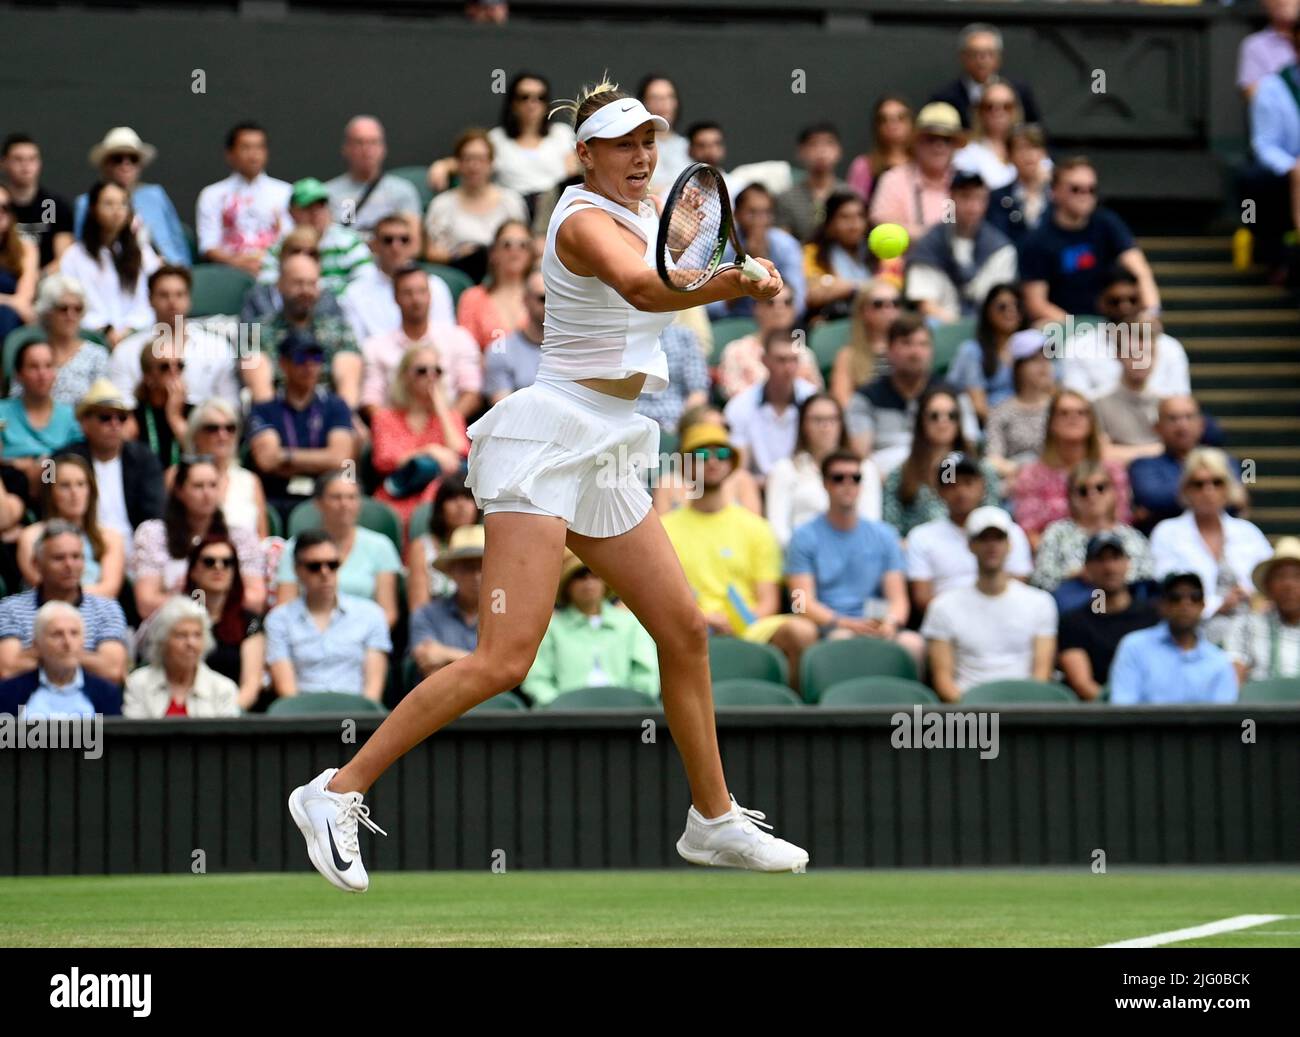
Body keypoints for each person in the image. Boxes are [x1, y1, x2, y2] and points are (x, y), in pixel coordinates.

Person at [288, 79, 808, 893]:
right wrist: (732, 284)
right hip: (548, 437)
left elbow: (664, 276)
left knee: (686, 631)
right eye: (623, 144)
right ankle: (335, 789)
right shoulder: (579, 218)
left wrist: (732, 277)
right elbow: (643, 288)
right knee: (503, 660)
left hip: (609, 445)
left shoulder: (646, 219)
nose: (642, 157)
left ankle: (713, 818)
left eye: (650, 142)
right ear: (585, 156)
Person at [663, 423, 819, 691]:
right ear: (685, 466)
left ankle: (792, 721)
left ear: (731, 465)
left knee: (802, 632)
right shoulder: (663, 528)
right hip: (686, 625)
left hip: (748, 626)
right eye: (701, 455)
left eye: (721, 455)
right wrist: (702, 618)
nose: (712, 462)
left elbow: (767, 601)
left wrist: (737, 624)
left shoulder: (756, 528)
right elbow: (661, 599)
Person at [785, 450, 922, 666]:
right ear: (825, 483)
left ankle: (915, 701)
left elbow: (898, 599)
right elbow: (800, 604)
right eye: (838, 478)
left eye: (855, 478)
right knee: (843, 640)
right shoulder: (804, 537)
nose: (848, 483)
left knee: (913, 644)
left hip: (876, 623)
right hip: (831, 628)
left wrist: (891, 622)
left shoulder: (885, 535)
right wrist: (842, 622)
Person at [921, 506, 1057, 702]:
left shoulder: (1041, 603)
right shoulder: (943, 606)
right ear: (970, 545)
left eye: (998, 538)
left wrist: (1023, 714)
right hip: (970, 718)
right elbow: (943, 681)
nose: (991, 546)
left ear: (1009, 544)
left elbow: (1042, 675)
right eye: (983, 539)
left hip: (1025, 715)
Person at [1149, 448, 1272, 646]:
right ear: (1186, 489)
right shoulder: (1167, 533)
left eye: (1217, 482)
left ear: (1228, 488)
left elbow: (1269, 581)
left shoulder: (1249, 532)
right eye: (1199, 484)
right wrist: (1218, 605)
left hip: (1251, 632)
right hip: (1188, 633)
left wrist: (1251, 597)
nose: (1208, 491)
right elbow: (1167, 587)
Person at [1020, 158, 1160, 324]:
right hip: (1061, 326)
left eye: (1091, 189)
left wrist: (1151, 313)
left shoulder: (1107, 223)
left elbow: (1140, 270)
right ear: (1054, 191)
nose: (1084, 195)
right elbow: (1036, 303)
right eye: (1076, 189)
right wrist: (1079, 328)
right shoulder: (1038, 239)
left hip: (1109, 323)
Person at [130, 455, 265, 620]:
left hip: (226, 627)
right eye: (198, 486)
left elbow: (256, 600)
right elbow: (146, 603)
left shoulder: (241, 537)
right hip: (171, 626)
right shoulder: (154, 534)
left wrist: (191, 596)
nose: (207, 493)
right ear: (179, 490)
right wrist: (210, 597)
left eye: (213, 485)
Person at [428, 72, 579, 220]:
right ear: (513, 103)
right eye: (524, 97)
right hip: (515, 211)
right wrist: (442, 166)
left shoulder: (561, 134)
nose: (532, 104)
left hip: (556, 207)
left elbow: (579, 167)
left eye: (540, 98)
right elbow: (473, 161)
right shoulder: (497, 138)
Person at [520, 548, 660, 704]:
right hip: (567, 719)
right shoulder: (551, 628)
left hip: (624, 716)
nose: (588, 582)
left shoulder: (630, 624)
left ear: (604, 583)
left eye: (594, 575)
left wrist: (632, 705)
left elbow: (647, 673)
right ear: (567, 585)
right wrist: (560, 709)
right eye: (580, 576)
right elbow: (537, 680)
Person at [247, 332, 356, 526]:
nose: (309, 366)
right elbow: (267, 459)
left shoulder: (335, 405)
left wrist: (285, 457)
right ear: (283, 364)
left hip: (324, 496)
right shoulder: (265, 409)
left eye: (316, 358)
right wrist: (321, 460)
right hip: (276, 496)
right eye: (300, 358)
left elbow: (340, 458)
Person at [266, 530, 390, 701]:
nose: (325, 573)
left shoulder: (371, 614)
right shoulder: (279, 619)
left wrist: (358, 724)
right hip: (303, 718)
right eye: (314, 566)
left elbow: (373, 693)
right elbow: (287, 692)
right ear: (297, 570)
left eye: (332, 564)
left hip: (356, 719)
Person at [905, 452, 1032, 617]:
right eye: (952, 484)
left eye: (968, 482)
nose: (961, 491)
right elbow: (922, 598)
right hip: (947, 623)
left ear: (982, 486)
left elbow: (1019, 584)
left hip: (1001, 616)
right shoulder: (922, 536)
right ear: (940, 491)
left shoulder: (1008, 530)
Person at [0, 521, 128, 684]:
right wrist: (78, 655)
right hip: (27, 703)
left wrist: (44, 651)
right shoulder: (10, 609)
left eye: (76, 557)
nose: (69, 565)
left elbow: (112, 671)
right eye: (59, 558)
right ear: (36, 564)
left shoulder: (107, 608)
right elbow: (7, 670)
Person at [275, 470, 402, 630]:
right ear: (318, 503)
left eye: (351, 497)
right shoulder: (294, 548)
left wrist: (352, 639)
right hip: (307, 638)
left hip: (363, 638)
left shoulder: (381, 546)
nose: (345, 504)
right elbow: (284, 607)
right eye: (336, 497)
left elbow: (388, 613)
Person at [360, 263, 482, 422]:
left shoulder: (458, 338)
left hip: (448, 430)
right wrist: (396, 431)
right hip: (398, 436)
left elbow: (471, 391)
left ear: (430, 295)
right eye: (408, 293)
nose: (416, 299)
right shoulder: (375, 347)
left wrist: (445, 426)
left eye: (421, 291)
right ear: (395, 297)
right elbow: (371, 400)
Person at [109, 265, 244, 409]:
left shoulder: (217, 347)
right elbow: (121, 407)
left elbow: (231, 406)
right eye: (164, 295)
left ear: (189, 299)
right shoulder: (126, 351)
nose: (172, 302)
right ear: (150, 299)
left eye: (179, 294)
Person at [1008, 390, 1131, 547]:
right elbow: (1029, 531)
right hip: (1053, 556)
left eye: (1081, 413)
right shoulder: (1031, 474)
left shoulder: (1112, 470)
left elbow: (1121, 521)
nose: (1073, 418)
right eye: (1064, 413)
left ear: (1092, 422)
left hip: (1107, 555)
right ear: (1051, 422)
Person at [370, 345, 471, 530]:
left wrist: (441, 408)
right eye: (422, 371)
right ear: (405, 376)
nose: (430, 376)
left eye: (437, 371)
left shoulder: (451, 417)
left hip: (441, 498)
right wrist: (430, 451)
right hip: (400, 493)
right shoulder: (385, 417)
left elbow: (460, 453)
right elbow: (384, 461)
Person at [1030, 460, 1154, 610]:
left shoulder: (1132, 537)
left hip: (1124, 612)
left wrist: (1108, 576)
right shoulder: (1057, 534)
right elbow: (1040, 582)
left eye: (1100, 488)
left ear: (1113, 492)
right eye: (1083, 491)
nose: (1092, 495)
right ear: (1070, 496)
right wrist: (1075, 575)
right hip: (1072, 612)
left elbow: (1148, 579)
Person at [765, 393, 882, 547]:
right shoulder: (784, 469)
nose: (825, 426)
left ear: (841, 424)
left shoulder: (864, 469)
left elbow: (871, 522)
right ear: (803, 425)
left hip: (853, 556)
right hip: (800, 557)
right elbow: (778, 531)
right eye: (817, 420)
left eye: (832, 419)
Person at [846, 313, 957, 475]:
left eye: (923, 344)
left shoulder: (951, 396)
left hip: (941, 474)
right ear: (889, 349)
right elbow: (860, 457)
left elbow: (967, 446)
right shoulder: (866, 398)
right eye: (907, 343)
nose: (915, 352)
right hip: (884, 476)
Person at [55, 181, 160, 350]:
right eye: (109, 204)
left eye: (123, 203)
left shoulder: (143, 253)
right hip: (92, 340)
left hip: (140, 337)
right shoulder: (74, 256)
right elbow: (71, 304)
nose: (117, 210)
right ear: (93, 209)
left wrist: (129, 329)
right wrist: (105, 330)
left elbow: (154, 299)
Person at [1057, 532, 1161, 701]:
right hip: (1100, 715)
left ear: (1128, 563)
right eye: (1100, 560)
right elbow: (1082, 683)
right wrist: (1119, 712)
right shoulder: (1074, 622)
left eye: (1115, 558)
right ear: (1087, 568)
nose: (1109, 567)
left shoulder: (1153, 616)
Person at [882, 388, 1000, 538]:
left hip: (976, 550)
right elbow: (891, 529)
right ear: (921, 421)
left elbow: (993, 516)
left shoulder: (981, 469)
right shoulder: (902, 473)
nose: (943, 422)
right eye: (934, 416)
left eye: (951, 415)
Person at [1059, 269, 1191, 403]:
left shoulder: (1169, 347)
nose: (1125, 307)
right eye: (1115, 301)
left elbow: (1180, 399)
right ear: (1101, 302)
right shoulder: (1077, 347)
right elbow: (1077, 402)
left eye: (1132, 300)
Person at [904, 170, 1017, 324]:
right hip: (941, 328)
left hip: (987, 329)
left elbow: (1000, 303)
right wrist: (960, 329)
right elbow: (926, 305)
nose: (972, 207)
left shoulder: (1000, 248)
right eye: (965, 197)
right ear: (951, 199)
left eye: (979, 199)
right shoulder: (930, 244)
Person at [1109, 573, 1238, 705]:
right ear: (1162, 605)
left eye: (1195, 597)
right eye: (1175, 598)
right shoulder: (1134, 647)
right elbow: (1123, 710)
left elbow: (1223, 719)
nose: (1185, 604)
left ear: (1203, 605)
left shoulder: (1219, 661)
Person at [252, 254, 363, 407]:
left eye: (312, 284)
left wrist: (341, 422)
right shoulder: (253, 330)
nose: (306, 290)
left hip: (330, 415)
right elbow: (260, 390)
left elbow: (349, 385)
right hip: (276, 415)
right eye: (298, 283)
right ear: (280, 284)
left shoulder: (340, 329)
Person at [65, 379, 163, 551]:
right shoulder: (64, 457)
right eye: (105, 417)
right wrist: (44, 470)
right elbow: (47, 485)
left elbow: (155, 513)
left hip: (137, 549)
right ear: (84, 423)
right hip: (81, 547)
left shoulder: (145, 458)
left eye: (121, 417)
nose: (115, 424)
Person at [423, 129, 528, 280]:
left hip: (507, 277)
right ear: (457, 163)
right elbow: (430, 251)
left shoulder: (511, 201)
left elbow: (524, 243)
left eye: (481, 159)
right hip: (459, 275)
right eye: (468, 158)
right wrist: (457, 254)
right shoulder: (441, 205)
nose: (474, 165)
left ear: (491, 163)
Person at [74, 127, 189, 266]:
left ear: (140, 165)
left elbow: (177, 240)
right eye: (117, 159)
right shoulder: (86, 203)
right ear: (104, 165)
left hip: (165, 272)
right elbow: (83, 247)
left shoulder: (155, 195)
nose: (126, 165)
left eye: (133, 159)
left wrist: (181, 272)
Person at [16, 453, 124, 599]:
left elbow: (109, 589)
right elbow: (40, 584)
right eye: (65, 485)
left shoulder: (110, 538)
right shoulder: (31, 536)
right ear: (51, 492)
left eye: (81, 484)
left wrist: (71, 595)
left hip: (94, 614)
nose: (75, 492)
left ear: (90, 490)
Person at [339, 213, 454, 346]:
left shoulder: (434, 286)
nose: (396, 247)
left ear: (413, 245)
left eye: (404, 240)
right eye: (388, 240)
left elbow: (446, 337)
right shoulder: (354, 293)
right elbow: (356, 345)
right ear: (374, 245)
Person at [722, 329, 819, 484]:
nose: (789, 367)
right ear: (764, 360)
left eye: (794, 360)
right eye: (781, 360)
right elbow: (737, 471)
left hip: (806, 486)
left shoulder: (814, 400)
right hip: (757, 488)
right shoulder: (739, 406)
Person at [184, 534, 266, 712]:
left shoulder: (249, 622)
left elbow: (251, 685)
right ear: (193, 570)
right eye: (209, 561)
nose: (218, 567)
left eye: (227, 562)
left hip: (232, 718)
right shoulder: (178, 619)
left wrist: (224, 716)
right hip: (185, 715)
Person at [196, 122, 291, 275]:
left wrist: (265, 262)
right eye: (246, 148)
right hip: (228, 273)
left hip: (275, 272)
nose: (253, 155)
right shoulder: (212, 195)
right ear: (230, 154)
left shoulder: (285, 193)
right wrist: (238, 263)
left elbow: (290, 239)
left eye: (259, 147)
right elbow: (208, 246)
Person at [124, 595, 241, 718]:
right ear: (163, 641)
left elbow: (227, 737)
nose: (191, 643)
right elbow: (135, 734)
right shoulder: (138, 683)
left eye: (197, 635)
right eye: (181, 635)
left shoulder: (223, 689)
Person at [0, 602, 122, 718]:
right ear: (37, 644)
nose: (68, 643)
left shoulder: (107, 693)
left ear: (83, 641)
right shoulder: (9, 692)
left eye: (74, 633)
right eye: (57, 634)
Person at [1128, 396, 1229, 535]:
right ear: (1157, 427)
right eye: (1173, 418)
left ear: (1201, 424)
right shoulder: (1142, 466)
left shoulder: (1226, 461)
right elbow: (1152, 497)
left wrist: (1160, 509)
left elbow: (1238, 494)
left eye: (1188, 417)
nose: (1182, 425)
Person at [706, 184, 807, 321]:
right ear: (737, 214)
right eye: (752, 213)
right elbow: (711, 308)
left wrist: (763, 268)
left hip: (777, 322)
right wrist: (745, 273)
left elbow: (798, 303)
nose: (760, 220)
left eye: (766, 213)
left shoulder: (787, 245)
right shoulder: (721, 248)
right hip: (735, 321)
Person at [258, 177, 372, 294]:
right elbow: (267, 285)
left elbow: (367, 280)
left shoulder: (349, 241)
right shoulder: (280, 246)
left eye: (321, 206)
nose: (316, 213)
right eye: (308, 207)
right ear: (291, 212)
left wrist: (323, 294)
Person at [869, 102, 962, 245]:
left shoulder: (966, 182)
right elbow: (882, 225)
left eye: (947, 140)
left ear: (955, 146)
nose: (939, 146)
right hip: (908, 263)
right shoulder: (893, 179)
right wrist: (937, 237)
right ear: (916, 142)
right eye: (931, 139)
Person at [173, 399, 267, 537]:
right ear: (195, 435)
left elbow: (262, 540)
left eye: (230, 428)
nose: (223, 435)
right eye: (212, 428)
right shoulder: (176, 476)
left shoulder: (250, 481)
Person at [0, 340, 84, 493]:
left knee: (54, 471)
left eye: (48, 366)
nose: (42, 374)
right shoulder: (2, 410)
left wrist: (43, 466)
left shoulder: (68, 415)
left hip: (54, 485)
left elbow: (78, 457)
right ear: (19, 374)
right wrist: (16, 463)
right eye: (33, 367)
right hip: (9, 483)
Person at [652, 404, 763, 516]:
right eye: (711, 429)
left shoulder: (742, 480)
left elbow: (753, 527)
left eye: (725, 427)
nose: (712, 460)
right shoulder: (667, 483)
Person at [928, 22, 1042, 129]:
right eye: (975, 54)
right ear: (963, 57)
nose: (981, 60)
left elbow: (1035, 133)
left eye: (989, 54)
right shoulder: (945, 98)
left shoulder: (1019, 92)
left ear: (999, 58)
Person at [716, 286, 820, 401]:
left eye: (787, 302)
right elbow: (736, 402)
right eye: (770, 302)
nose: (779, 309)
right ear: (756, 308)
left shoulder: (802, 353)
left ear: (794, 309)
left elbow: (815, 401)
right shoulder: (735, 351)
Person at [325, 116, 423, 237]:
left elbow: (413, 243)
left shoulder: (402, 191)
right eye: (359, 142)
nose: (366, 150)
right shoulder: (327, 193)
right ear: (346, 148)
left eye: (373, 142)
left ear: (383, 148)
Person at [944, 283, 1025, 425]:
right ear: (988, 311)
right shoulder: (971, 351)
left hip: (1024, 423)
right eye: (1002, 307)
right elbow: (979, 407)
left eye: (1017, 306)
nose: (1011, 311)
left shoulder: (1029, 349)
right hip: (986, 426)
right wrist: (1013, 428)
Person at [25, 274, 111, 404]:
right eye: (63, 309)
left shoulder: (97, 356)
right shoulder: (33, 354)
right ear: (47, 312)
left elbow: (104, 404)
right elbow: (17, 399)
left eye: (78, 309)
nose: (71, 315)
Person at [1225, 537, 1300, 684]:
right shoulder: (1246, 625)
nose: (1288, 585)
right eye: (1280, 576)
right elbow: (1234, 681)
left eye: (1297, 576)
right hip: (1260, 705)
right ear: (1268, 586)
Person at [984, 329, 1055, 482]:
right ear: (1018, 367)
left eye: (1047, 357)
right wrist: (1027, 469)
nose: (1044, 365)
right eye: (1034, 359)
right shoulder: (1000, 411)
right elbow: (992, 460)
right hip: (1017, 483)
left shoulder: (1061, 408)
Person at [405, 475, 481, 613]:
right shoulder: (422, 546)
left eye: (468, 498)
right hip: (437, 629)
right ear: (440, 508)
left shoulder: (489, 544)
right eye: (452, 498)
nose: (461, 505)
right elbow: (419, 611)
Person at [454, 220, 533, 351]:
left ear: (530, 254)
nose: (515, 250)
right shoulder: (472, 298)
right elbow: (466, 351)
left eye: (523, 245)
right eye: (507, 244)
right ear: (493, 252)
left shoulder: (542, 297)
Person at [0, 134, 73, 273]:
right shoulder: (1, 202)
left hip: (45, 278)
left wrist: (36, 279)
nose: (26, 165)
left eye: (32, 159)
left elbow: (64, 258)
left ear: (39, 163)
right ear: (3, 163)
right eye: (18, 159)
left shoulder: (55, 205)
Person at [802, 191, 877, 322]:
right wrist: (862, 287)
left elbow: (891, 285)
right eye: (845, 217)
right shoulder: (812, 253)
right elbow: (813, 294)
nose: (854, 224)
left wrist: (842, 286)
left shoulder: (879, 250)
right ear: (830, 223)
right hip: (834, 321)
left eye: (860, 216)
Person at [828, 280, 901, 409]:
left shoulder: (909, 350)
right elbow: (842, 402)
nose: (889, 310)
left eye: (895, 303)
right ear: (863, 311)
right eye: (878, 304)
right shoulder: (848, 356)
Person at [773, 124, 848, 244]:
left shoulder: (849, 195)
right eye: (813, 144)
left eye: (829, 143)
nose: (821, 150)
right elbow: (782, 243)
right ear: (800, 152)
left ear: (839, 151)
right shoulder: (786, 199)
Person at [635, 322, 709, 436]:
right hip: (635, 420)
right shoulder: (627, 339)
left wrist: (681, 426)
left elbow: (698, 392)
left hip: (677, 421)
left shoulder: (684, 336)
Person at [952, 79, 1027, 191]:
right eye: (989, 107)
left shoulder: (1030, 149)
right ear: (979, 112)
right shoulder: (967, 153)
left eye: (1007, 106)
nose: (998, 112)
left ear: (1016, 111)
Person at [484, 266, 544, 403]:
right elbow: (504, 409)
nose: (550, 305)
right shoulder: (500, 350)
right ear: (525, 300)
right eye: (543, 298)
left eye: (556, 298)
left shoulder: (573, 348)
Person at [986, 122, 1052, 246]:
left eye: (1034, 147)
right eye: (1021, 148)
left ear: (1044, 153)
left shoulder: (1057, 196)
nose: (1029, 155)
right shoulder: (997, 198)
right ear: (1010, 155)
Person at [846, 96, 913, 204]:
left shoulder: (922, 165)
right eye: (884, 119)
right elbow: (855, 208)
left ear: (911, 123)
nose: (892, 125)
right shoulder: (863, 166)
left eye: (900, 118)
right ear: (877, 126)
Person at [638, 74, 693, 196]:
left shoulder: (689, 147)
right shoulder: (635, 149)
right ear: (644, 103)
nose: (663, 103)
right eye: (655, 97)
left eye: (669, 97)